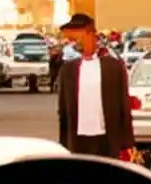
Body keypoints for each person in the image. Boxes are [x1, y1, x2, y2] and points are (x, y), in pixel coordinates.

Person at [55, 13, 136, 159]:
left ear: (92, 36)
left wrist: (127, 141)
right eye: (73, 39)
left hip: (106, 137)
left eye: (80, 37)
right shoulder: (68, 70)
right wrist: (63, 143)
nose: (76, 43)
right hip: (77, 138)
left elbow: (123, 104)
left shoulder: (113, 67)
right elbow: (63, 110)